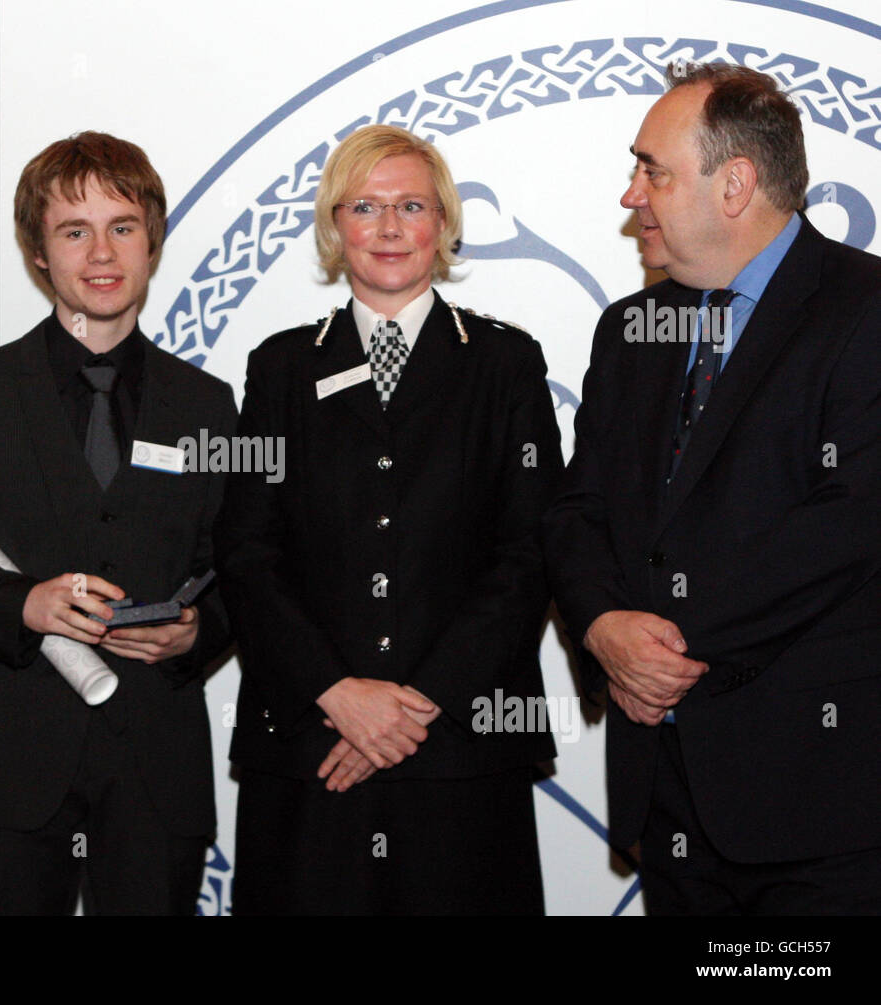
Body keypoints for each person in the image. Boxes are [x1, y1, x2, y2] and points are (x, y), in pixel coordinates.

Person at [543, 62, 881, 914]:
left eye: (653, 170)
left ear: (735, 184)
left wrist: (659, 646)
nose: (631, 195)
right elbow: (579, 510)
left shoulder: (866, 309)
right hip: (669, 797)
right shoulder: (632, 331)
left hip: (824, 809)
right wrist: (601, 624)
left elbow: (849, 524)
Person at [215, 124, 561, 914]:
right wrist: (338, 693)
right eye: (365, 205)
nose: (390, 227)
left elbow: (529, 551)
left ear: (444, 222)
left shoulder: (506, 364)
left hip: (462, 750)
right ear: (335, 226)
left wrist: (416, 704)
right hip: (311, 747)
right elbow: (245, 551)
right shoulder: (281, 368)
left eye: (411, 204)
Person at [0, 131, 238, 915]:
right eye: (74, 230)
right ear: (38, 252)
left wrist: (198, 632)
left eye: (122, 227)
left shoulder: (208, 404)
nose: (102, 252)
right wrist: (20, 605)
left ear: (153, 241)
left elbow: (242, 564)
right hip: (6, 752)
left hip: (157, 762)